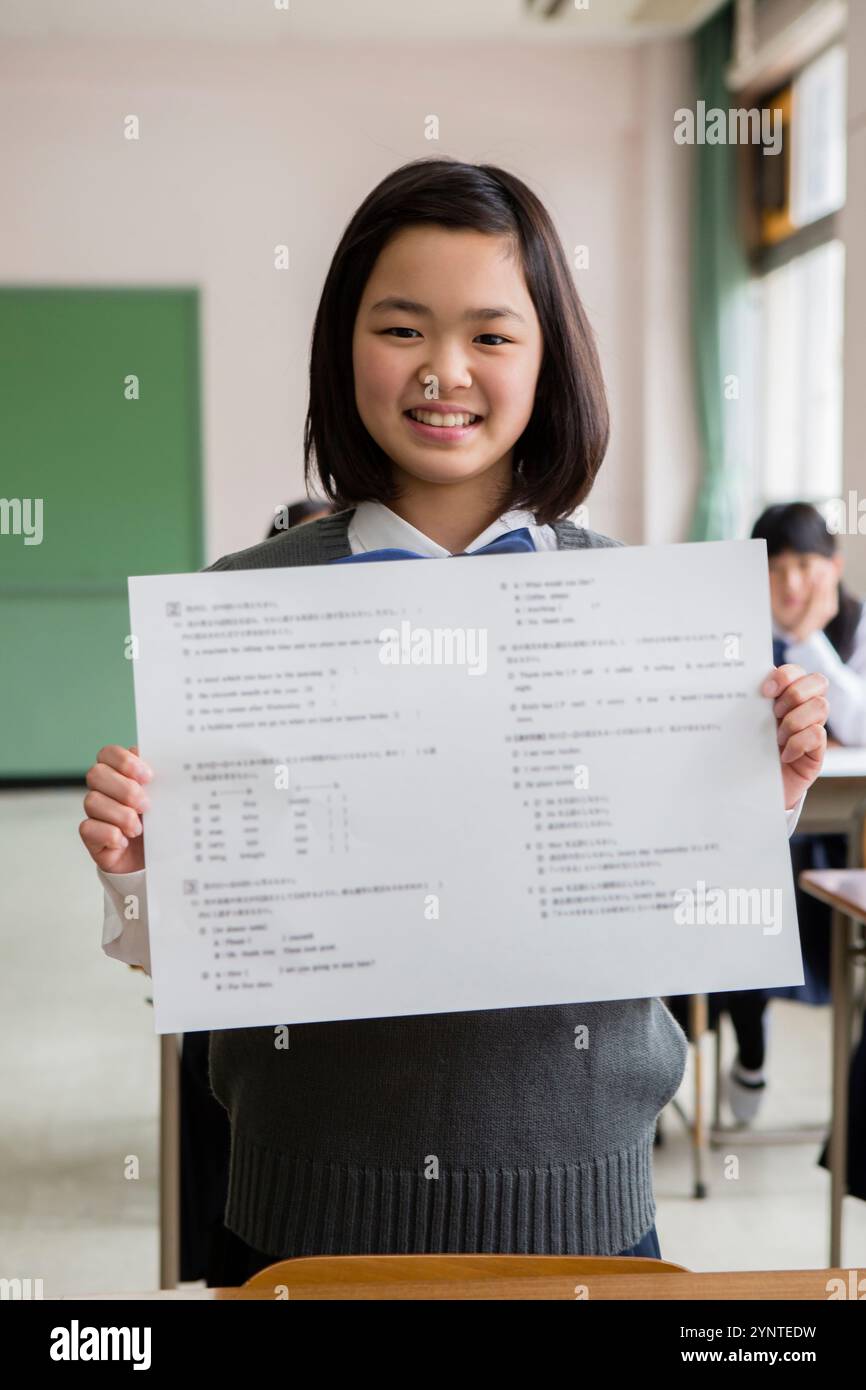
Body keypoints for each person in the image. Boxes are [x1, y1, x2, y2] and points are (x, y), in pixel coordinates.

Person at [78, 158, 828, 1281]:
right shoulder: (247, 603)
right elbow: (196, 960)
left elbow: (673, 917)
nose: (443, 371)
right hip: (309, 1211)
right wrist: (140, 878)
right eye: (400, 328)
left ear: (547, 358)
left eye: (489, 334)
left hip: (582, 1201)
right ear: (345, 345)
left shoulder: (635, 611)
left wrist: (753, 802)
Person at [714, 502, 865, 1124]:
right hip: (756, 829)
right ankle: (751, 1042)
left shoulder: (856, 625)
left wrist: (808, 641)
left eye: (806, 565)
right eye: (775, 568)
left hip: (832, 835)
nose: (793, 584)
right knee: (741, 887)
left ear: (834, 567)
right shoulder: (727, 627)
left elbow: (857, 726)